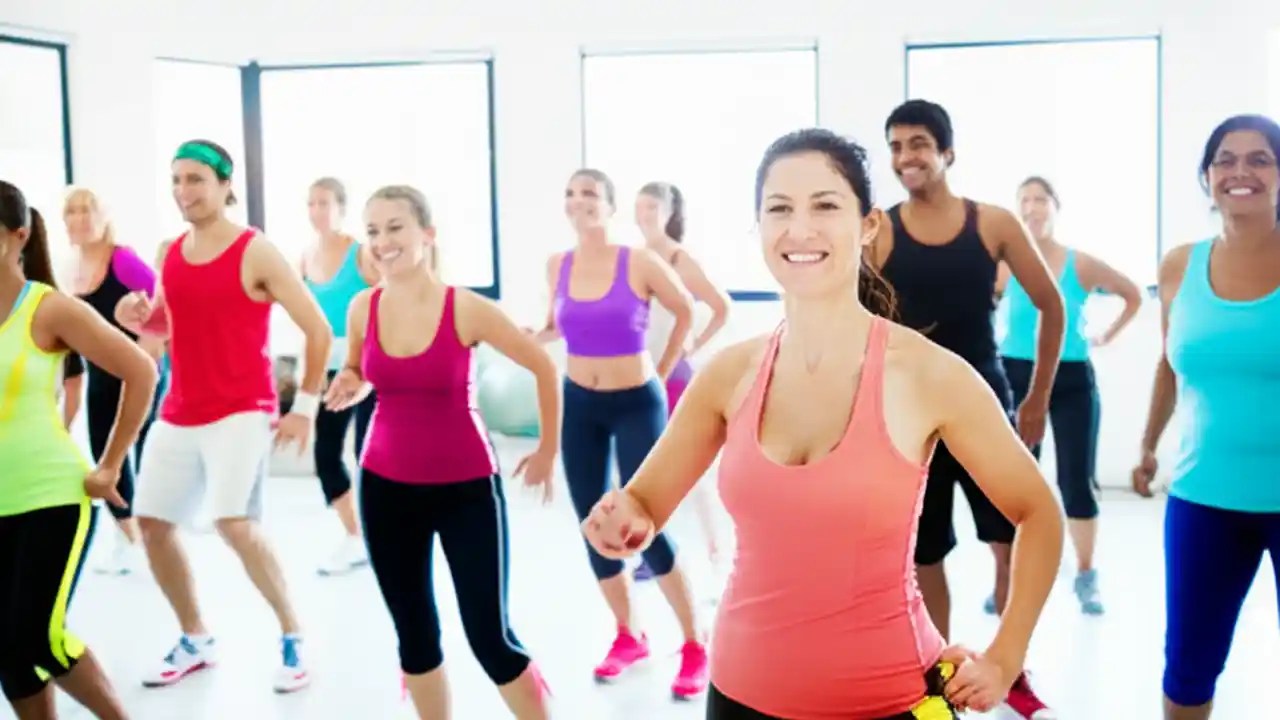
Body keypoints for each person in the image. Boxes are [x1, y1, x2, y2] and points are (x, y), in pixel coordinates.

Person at [581, 129, 1064, 720]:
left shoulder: (929, 374)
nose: (799, 228)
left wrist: (1005, 656)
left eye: (825, 205)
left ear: (867, 226)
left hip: (893, 701)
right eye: (778, 209)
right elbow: (645, 503)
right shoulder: (728, 374)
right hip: (738, 695)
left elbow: (1038, 510)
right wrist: (622, 518)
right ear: (757, 227)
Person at [324, 184, 556, 719]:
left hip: (466, 490)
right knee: (416, 637)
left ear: (427, 235)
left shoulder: (467, 308)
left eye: (395, 228)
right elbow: (360, 370)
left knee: (490, 638)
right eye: (374, 231)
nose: (383, 242)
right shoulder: (363, 306)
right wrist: (349, 382)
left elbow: (543, 367)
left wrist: (546, 451)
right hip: (384, 488)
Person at [114, 139, 333, 693]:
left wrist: (304, 408)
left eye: (195, 180)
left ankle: (292, 633)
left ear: (224, 185)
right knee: (154, 526)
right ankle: (196, 637)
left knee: (234, 523)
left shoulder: (255, 250)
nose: (183, 192)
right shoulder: (169, 250)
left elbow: (317, 328)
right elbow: (165, 325)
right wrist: (131, 314)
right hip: (181, 408)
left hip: (242, 408)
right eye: (177, 180)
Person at [870, 99, 1064, 718]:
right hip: (912, 419)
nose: (907, 157)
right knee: (924, 552)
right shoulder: (883, 232)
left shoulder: (994, 223)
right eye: (896, 146)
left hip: (985, 404)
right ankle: (939, 676)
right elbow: (865, 328)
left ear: (947, 152)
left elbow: (1052, 307)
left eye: (919, 143)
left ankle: (1008, 663)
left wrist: (1036, 398)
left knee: (1009, 541)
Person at [530, 168, 708, 699]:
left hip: (636, 403)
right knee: (594, 526)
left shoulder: (639, 261)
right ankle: (629, 635)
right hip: (581, 403)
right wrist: (531, 335)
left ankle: (695, 643)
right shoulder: (556, 265)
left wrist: (665, 365)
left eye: (590, 194)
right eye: (570, 193)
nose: (578, 202)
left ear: (610, 207)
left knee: (645, 527)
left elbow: (685, 311)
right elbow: (559, 324)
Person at [1133, 113, 1280, 720]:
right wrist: (1147, 445)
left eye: (1259, 158)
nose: (1239, 171)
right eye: (1225, 159)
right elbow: (1169, 366)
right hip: (1203, 499)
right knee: (1188, 666)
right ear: (1207, 176)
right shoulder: (1178, 266)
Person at [1, 179, 158, 720]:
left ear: (17, 236)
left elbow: (141, 369)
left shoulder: (48, 309)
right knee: (9, 652)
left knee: (37, 637)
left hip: (50, 497)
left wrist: (111, 464)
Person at [997, 176, 1143, 616]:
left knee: (1076, 482)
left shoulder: (1079, 265)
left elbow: (1133, 295)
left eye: (1041, 199)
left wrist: (1106, 336)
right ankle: (1010, 576)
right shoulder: (1004, 264)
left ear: (1055, 208)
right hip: (1017, 376)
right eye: (1025, 200)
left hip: (1072, 378)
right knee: (1021, 481)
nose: (1033, 207)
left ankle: (1085, 575)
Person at [62, 186, 166, 576]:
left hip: (137, 371)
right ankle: (133, 539)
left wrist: (147, 348)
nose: (81, 218)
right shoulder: (69, 270)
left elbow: (164, 298)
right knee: (106, 454)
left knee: (129, 453)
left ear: (104, 218)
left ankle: (141, 540)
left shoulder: (121, 260)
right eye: (72, 212)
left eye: (88, 210)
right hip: (100, 374)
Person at [632, 181, 731, 582]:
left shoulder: (678, 258)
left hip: (673, 375)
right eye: (639, 207)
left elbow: (721, 307)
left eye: (652, 207)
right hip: (640, 374)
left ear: (669, 212)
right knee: (642, 469)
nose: (644, 215)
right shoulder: (635, 258)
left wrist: (691, 347)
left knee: (692, 471)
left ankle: (716, 551)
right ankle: (651, 555)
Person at [300, 176, 378, 576]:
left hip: (368, 368)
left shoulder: (361, 255)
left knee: (370, 455)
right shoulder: (305, 257)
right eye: (311, 203)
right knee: (326, 455)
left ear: (341, 208)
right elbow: (309, 323)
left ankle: (382, 536)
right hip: (329, 369)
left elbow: (387, 303)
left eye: (325, 203)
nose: (317, 211)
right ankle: (355, 536)